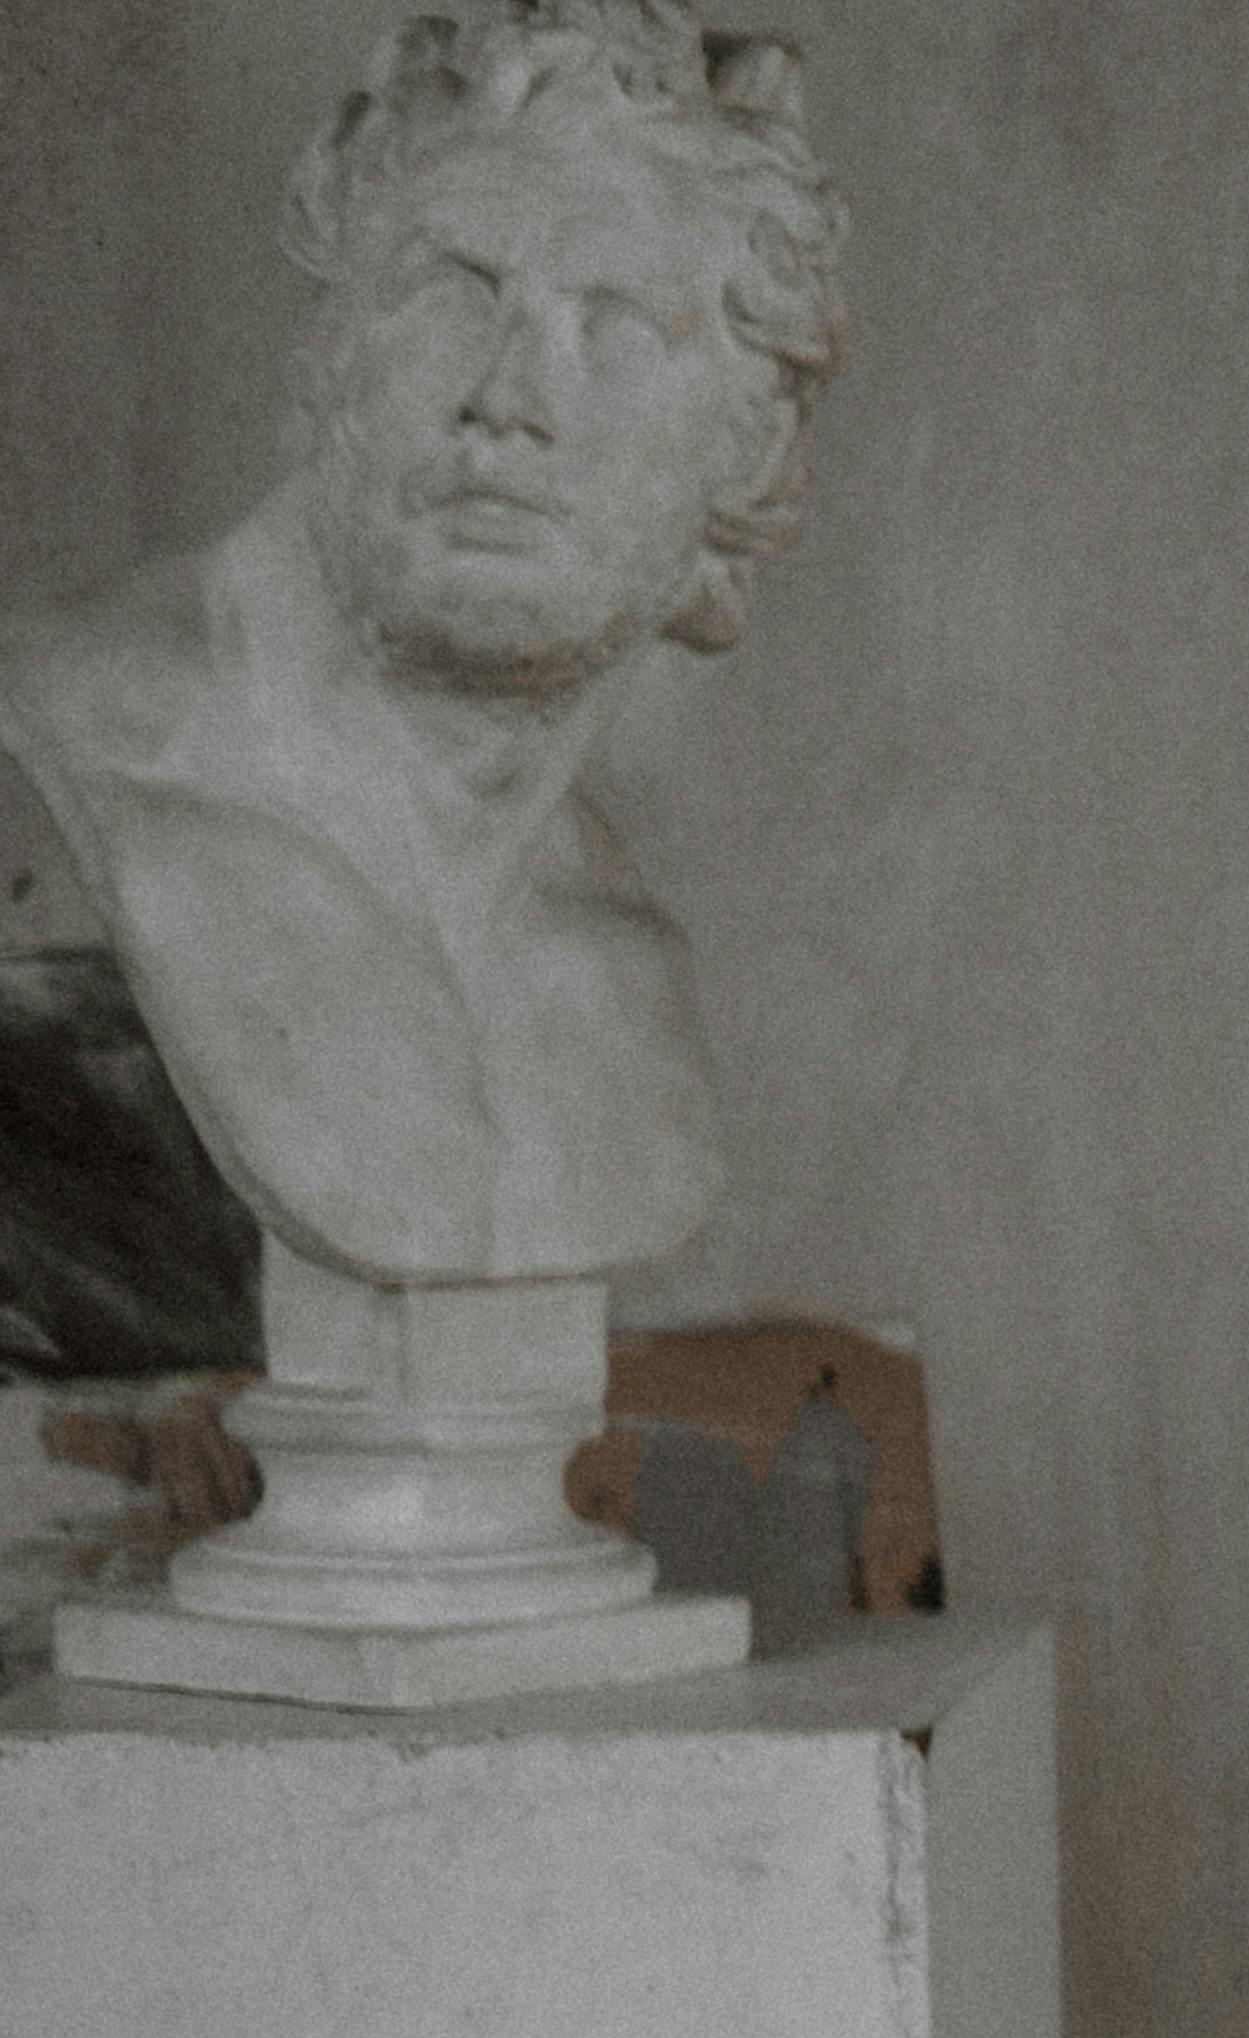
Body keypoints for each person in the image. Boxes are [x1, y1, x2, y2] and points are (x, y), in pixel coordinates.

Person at [0, 0, 845, 1288]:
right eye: (455, 294)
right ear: (333, 348)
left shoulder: (613, 970)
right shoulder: (59, 763)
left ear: (747, 452)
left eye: (616, 328)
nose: (506, 402)